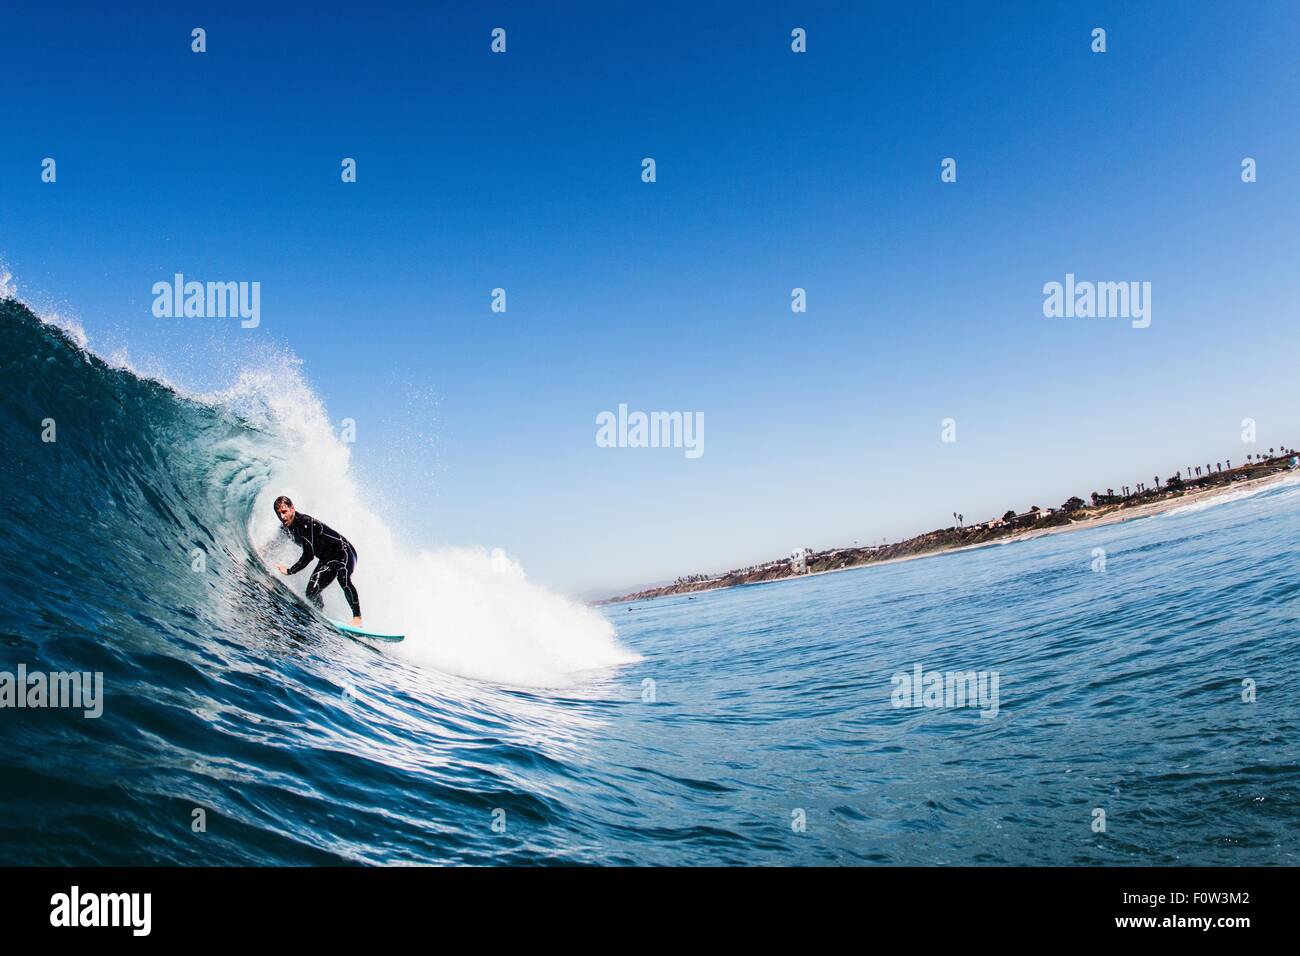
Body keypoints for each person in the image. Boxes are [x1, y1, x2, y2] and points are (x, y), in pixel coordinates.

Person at [272, 495, 362, 626]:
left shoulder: (305, 523)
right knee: (311, 592)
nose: (282, 517)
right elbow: (276, 542)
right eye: (278, 514)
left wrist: (290, 570)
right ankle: (320, 613)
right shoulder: (286, 528)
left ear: (292, 508)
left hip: (344, 552)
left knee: (343, 578)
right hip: (327, 559)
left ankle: (357, 618)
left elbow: (308, 556)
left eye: (284, 512)